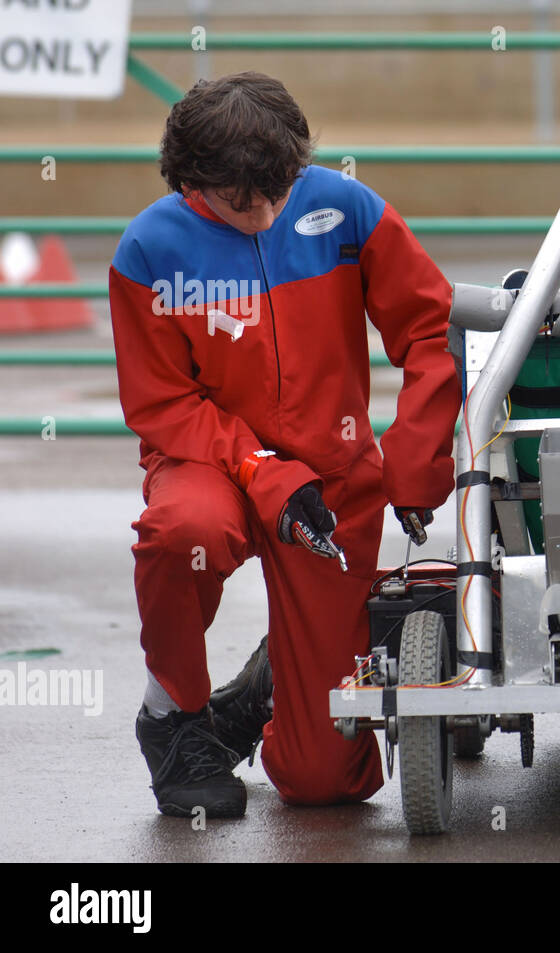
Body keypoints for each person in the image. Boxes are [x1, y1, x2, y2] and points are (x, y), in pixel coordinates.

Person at [109, 72, 460, 816]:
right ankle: (173, 718)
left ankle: (277, 682)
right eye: (244, 201)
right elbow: (161, 402)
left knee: (322, 780)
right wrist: (261, 469)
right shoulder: (147, 250)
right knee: (183, 533)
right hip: (208, 465)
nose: (267, 212)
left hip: (332, 484)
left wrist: (417, 450)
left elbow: (430, 327)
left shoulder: (346, 207)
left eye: (281, 189)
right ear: (192, 182)